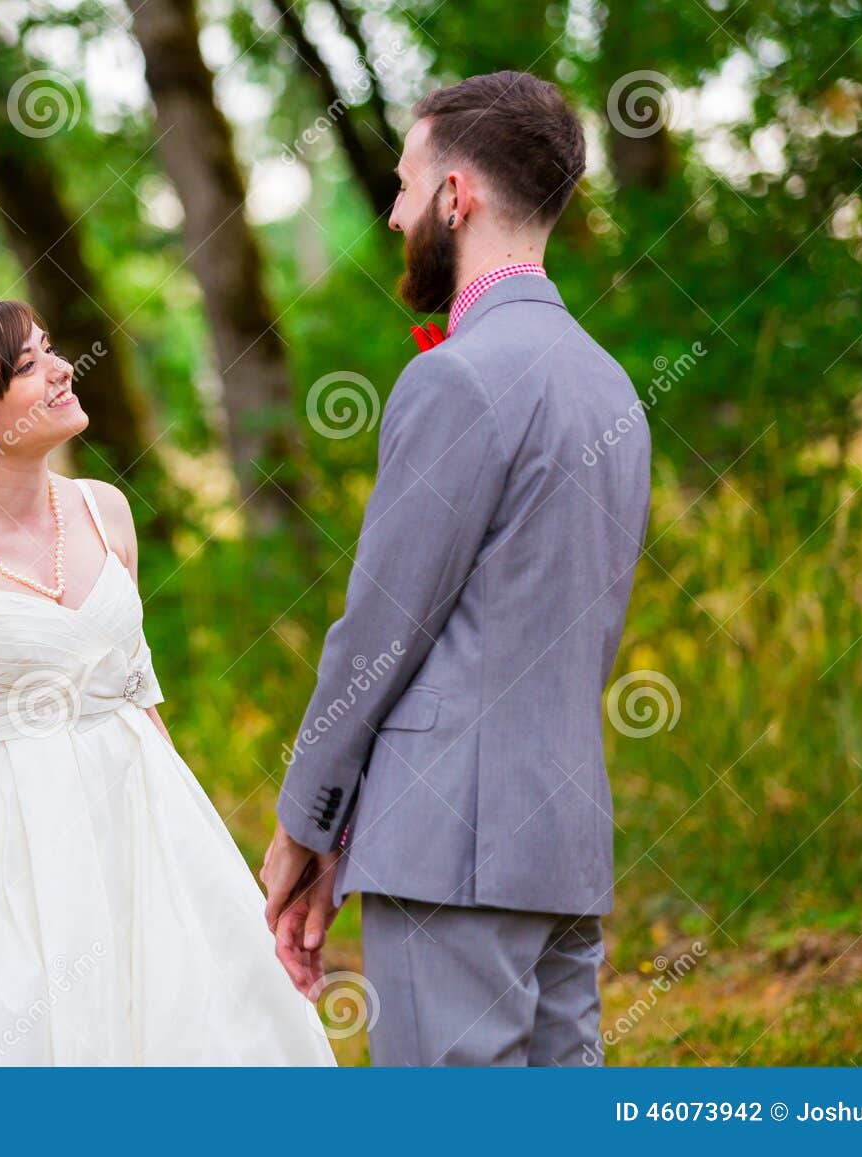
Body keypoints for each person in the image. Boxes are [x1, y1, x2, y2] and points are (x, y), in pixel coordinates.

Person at [0, 297, 336, 1066]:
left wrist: (190, 851)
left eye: (50, 350)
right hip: (8, 860)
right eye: (27, 366)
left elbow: (140, 701)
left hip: (143, 831)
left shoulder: (107, 512)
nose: (60, 371)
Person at [263, 71, 652, 1067]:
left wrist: (305, 817)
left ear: (455, 196)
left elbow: (380, 627)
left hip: (449, 854)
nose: (393, 212)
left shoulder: (455, 378)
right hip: (561, 840)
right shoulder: (607, 381)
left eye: (403, 184)